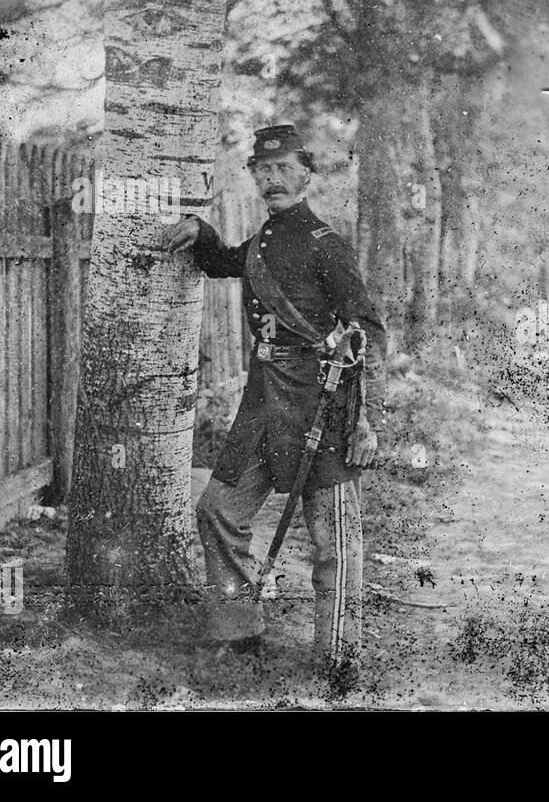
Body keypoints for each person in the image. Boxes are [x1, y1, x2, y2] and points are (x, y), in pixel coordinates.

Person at [167, 124, 387, 689]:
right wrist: (200, 229)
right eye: (262, 171)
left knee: (332, 538)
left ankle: (339, 657)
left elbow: (366, 322)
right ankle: (239, 631)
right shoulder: (264, 242)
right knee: (218, 508)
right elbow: (222, 263)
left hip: (319, 406)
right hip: (264, 405)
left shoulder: (324, 244)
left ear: (306, 174)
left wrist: (353, 341)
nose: (272, 180)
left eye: (284, 169)